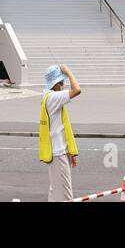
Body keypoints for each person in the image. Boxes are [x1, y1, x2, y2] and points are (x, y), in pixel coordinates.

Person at [39, 63, 81, 201]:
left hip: (58, 153)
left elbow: (62, 128)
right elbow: (77, 90)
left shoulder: (48, 97)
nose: (63, 85)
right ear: (55, 83)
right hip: (58, 154)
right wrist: (68, 71)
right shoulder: (53, 98)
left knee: (55, 191)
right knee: (66, 196)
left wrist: (70, 150)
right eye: (62, 82)